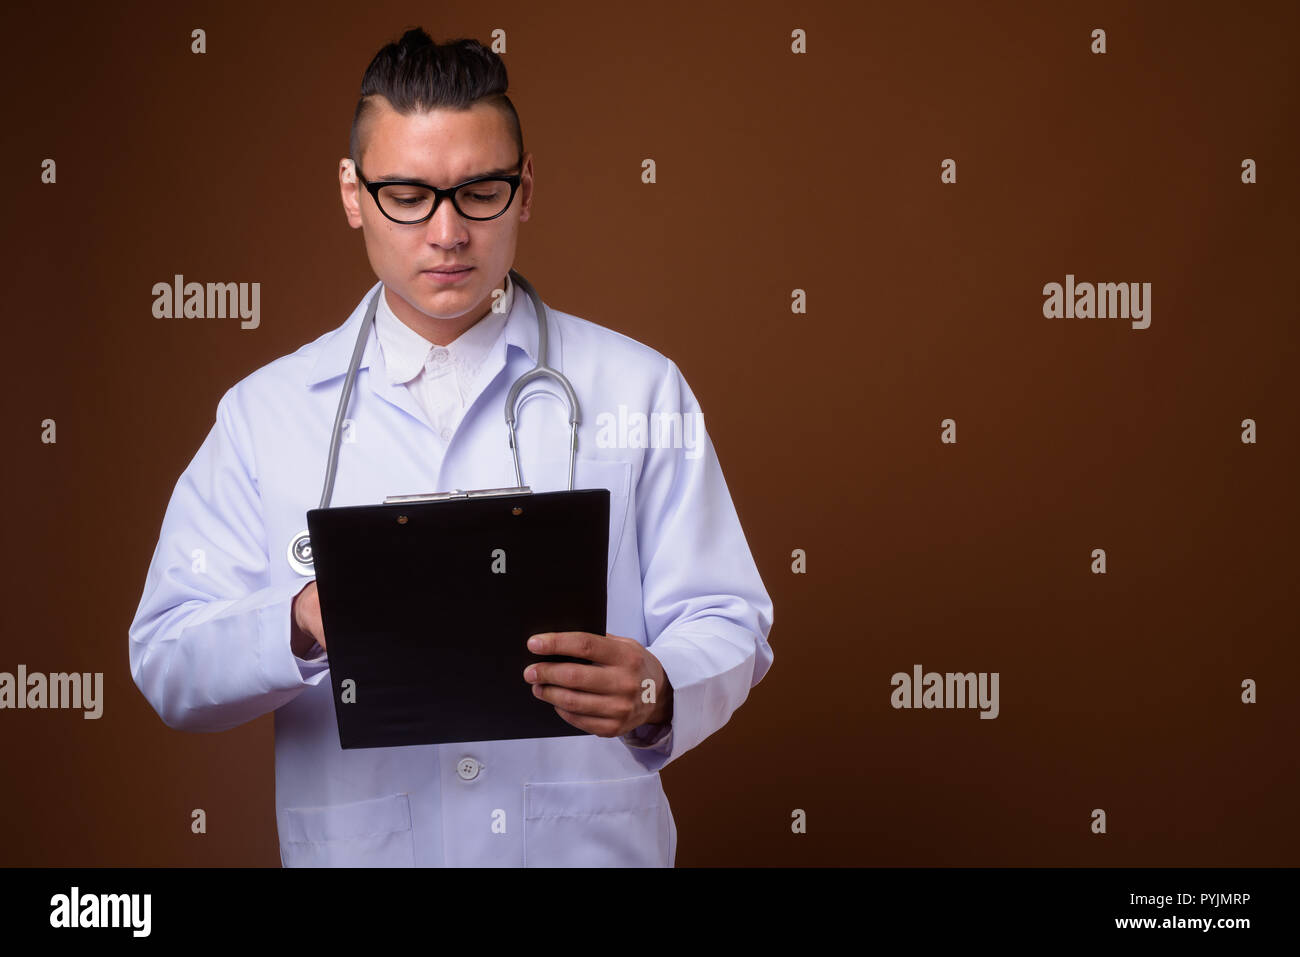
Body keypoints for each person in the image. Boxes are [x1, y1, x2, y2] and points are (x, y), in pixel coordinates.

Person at [128, 27, 774, 867]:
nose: (446, 233)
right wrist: (300, 621)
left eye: (479, 192)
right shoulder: (266, 415)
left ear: (526, 187)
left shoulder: (639, 390)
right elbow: (167, 658)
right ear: (352, 192)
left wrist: (656, 687)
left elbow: (730, 618)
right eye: (406, 194)